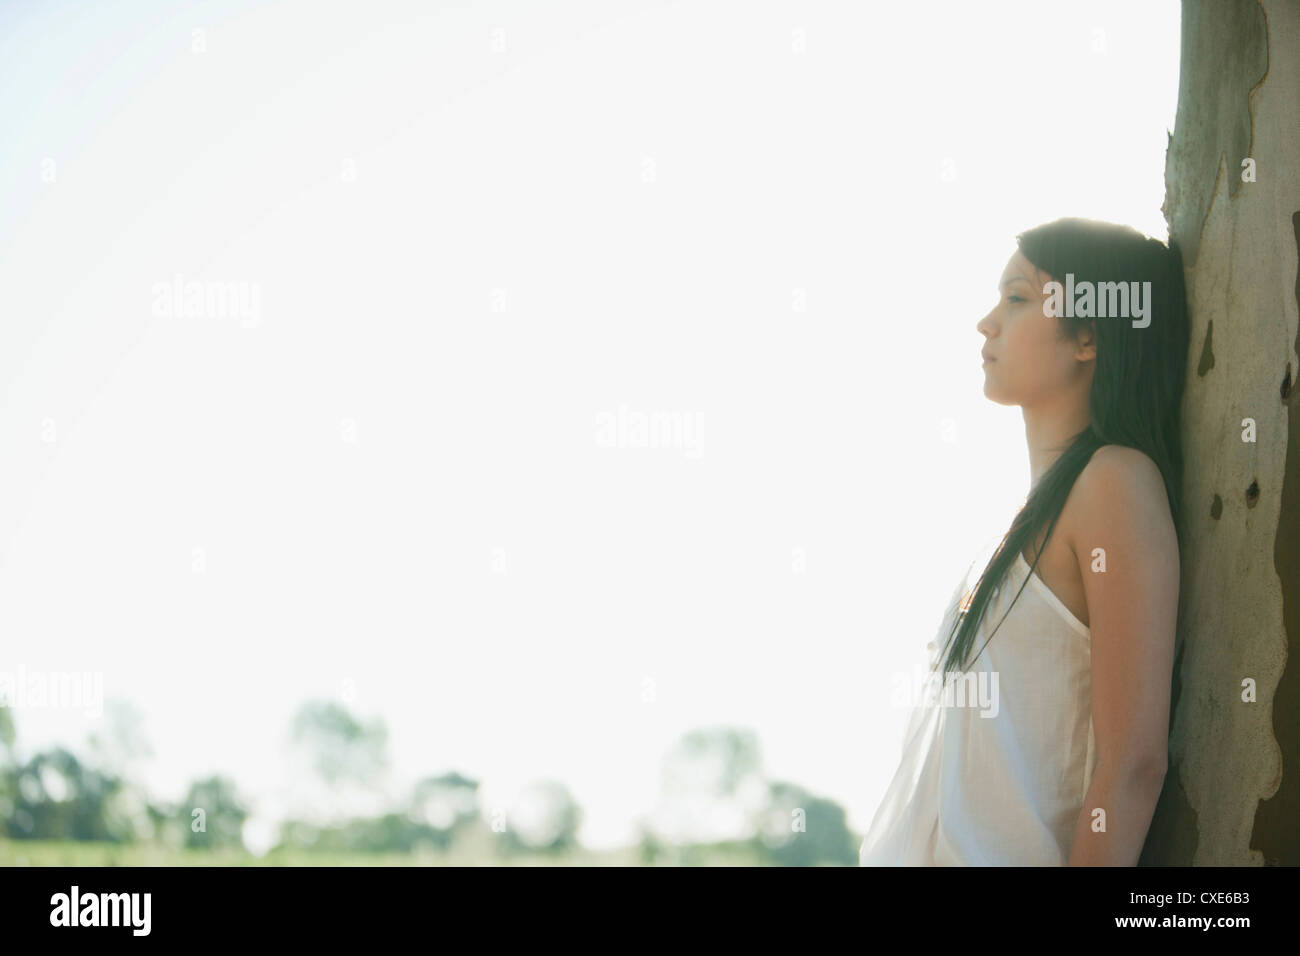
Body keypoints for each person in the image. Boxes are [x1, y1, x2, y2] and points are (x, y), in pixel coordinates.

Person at [859, 217, 1189, 866]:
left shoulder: (1114, 484)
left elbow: (1132, 766)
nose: (987, 323)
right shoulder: (1019, 523)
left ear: (1089, 335)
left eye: (1017, 298)